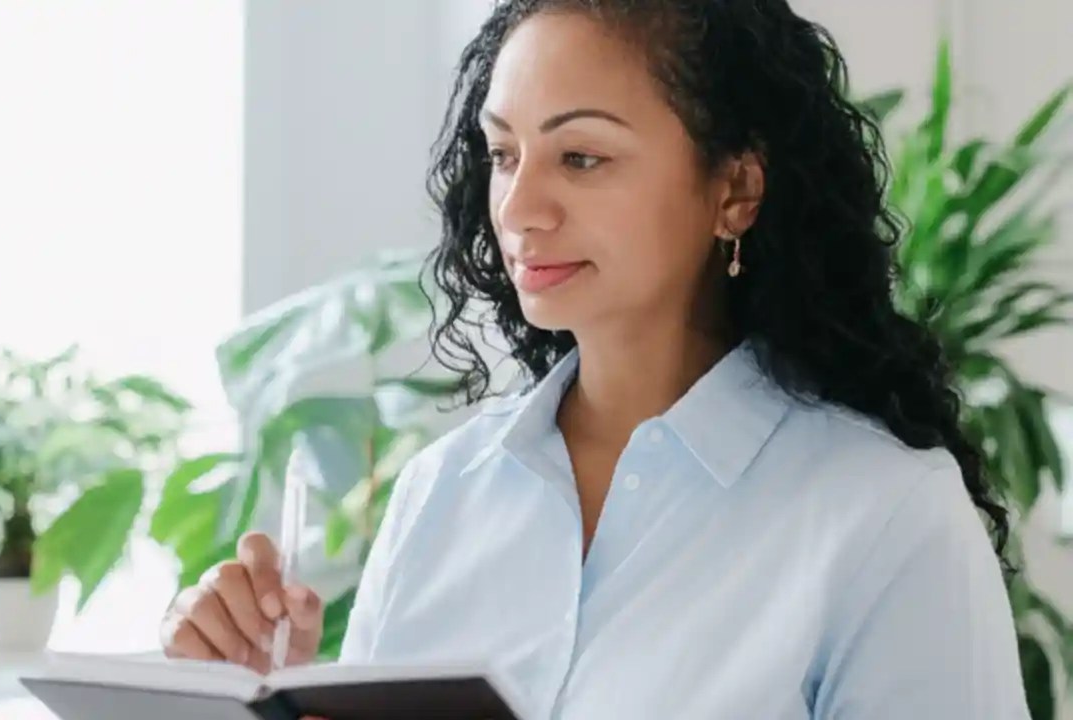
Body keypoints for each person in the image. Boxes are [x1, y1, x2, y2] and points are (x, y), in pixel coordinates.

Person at [160, 0, 1030, 717]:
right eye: (504, 154)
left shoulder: (884, 516)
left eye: (581, 157)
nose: (520, 208)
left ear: (736, 189)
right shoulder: (441, 495)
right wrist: (255, 696)